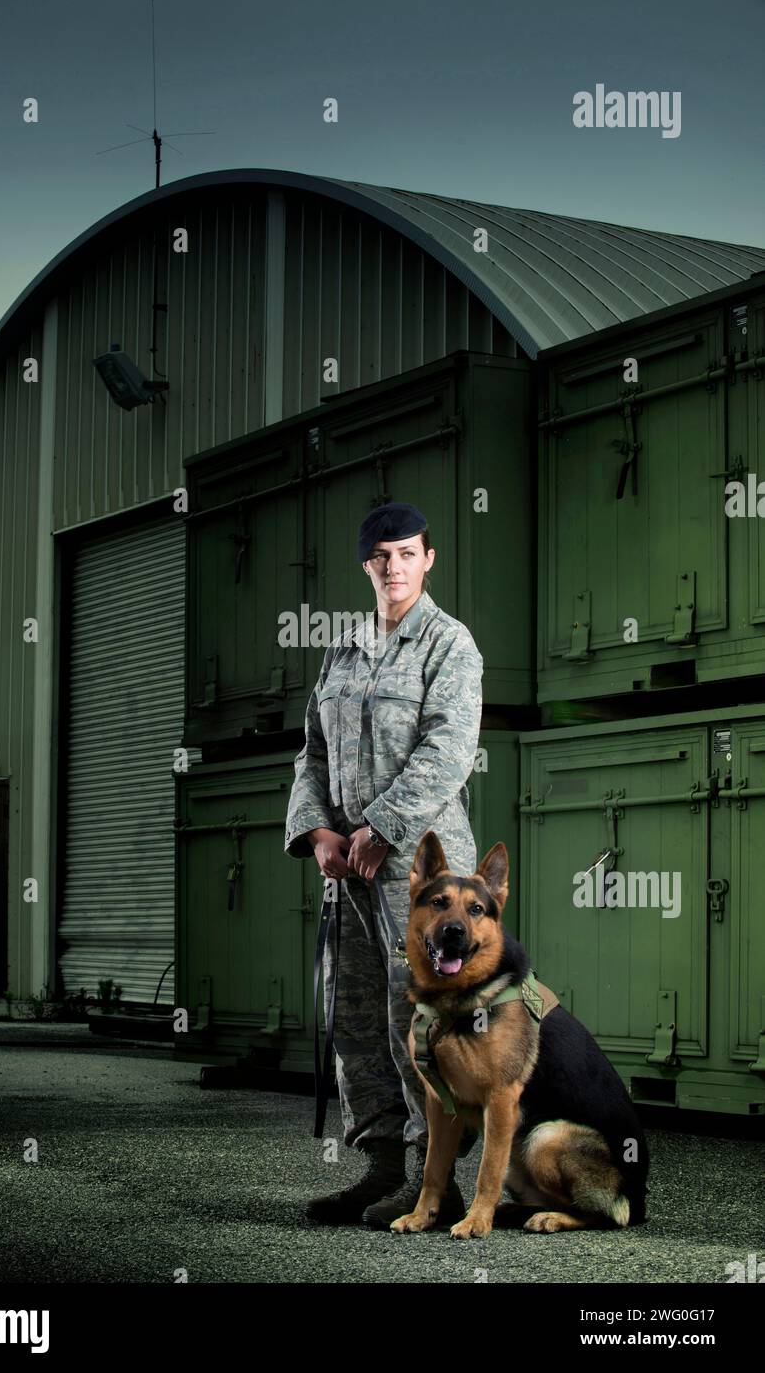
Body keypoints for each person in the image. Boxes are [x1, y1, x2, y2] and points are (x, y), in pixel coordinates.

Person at [283, 501, 484, 1227]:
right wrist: (316, 833)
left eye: (405, 554)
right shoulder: (342, 648)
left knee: (418, 1015)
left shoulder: (449, 645)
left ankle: (437, 1183)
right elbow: (311, 752)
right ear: (365, 566)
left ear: (427, 558)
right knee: (357, 1013)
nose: (393, 567)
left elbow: (447, 751)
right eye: (380, 557)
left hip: (422, 875)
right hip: (351, 872)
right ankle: (381, 1170)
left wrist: (381, 826)